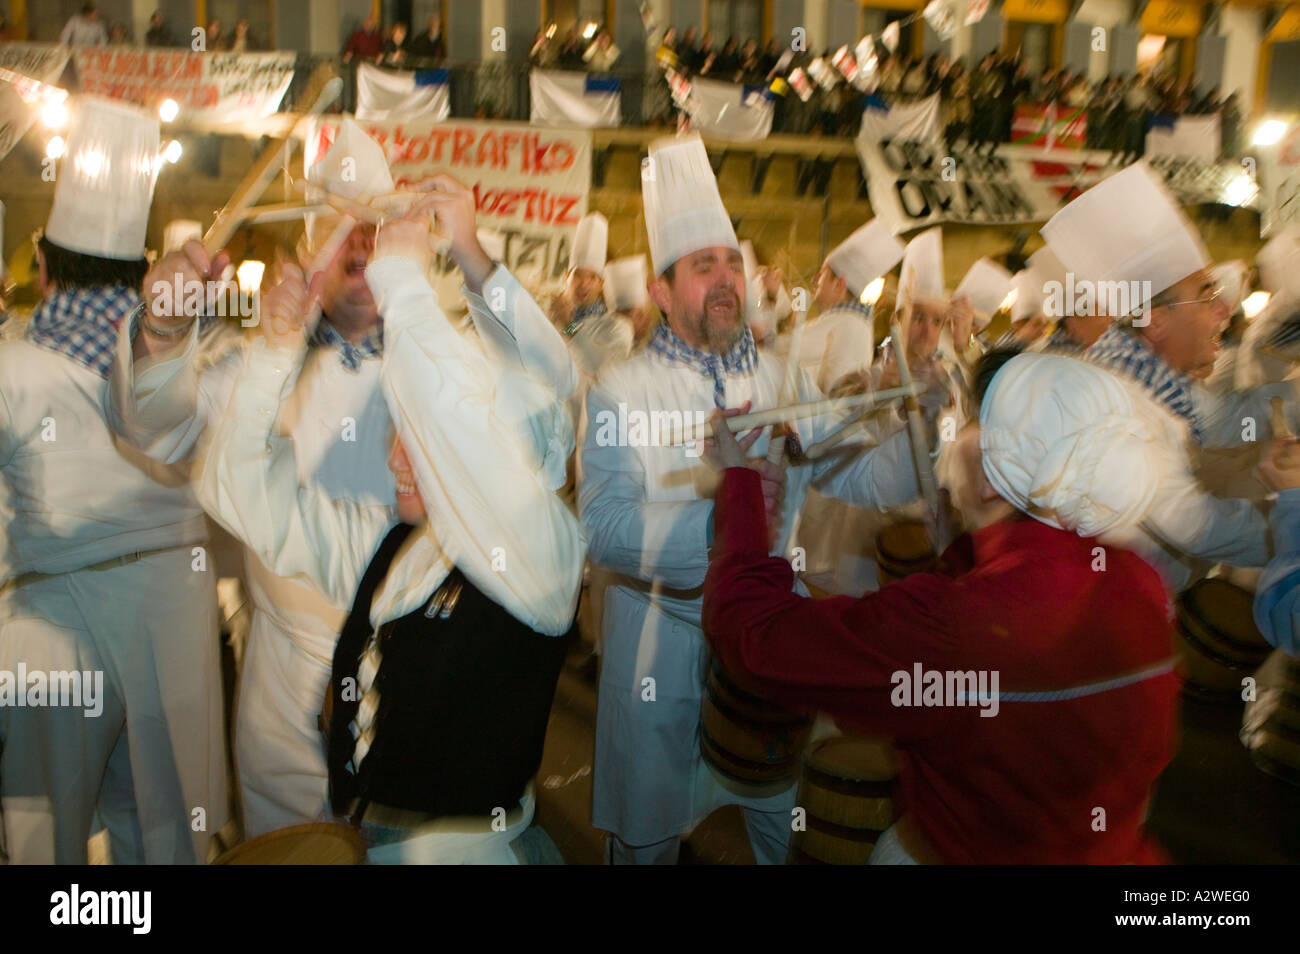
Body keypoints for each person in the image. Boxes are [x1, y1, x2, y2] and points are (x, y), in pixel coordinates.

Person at [111, 120, 576, 838]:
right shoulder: (254, 359)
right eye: (342, 228)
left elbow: (552, 394)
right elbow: (157, 430)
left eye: (376, 224)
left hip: (435, 668)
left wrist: (467, 254)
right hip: (285, 676)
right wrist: (166, 331)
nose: (361, 241)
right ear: (307, 251)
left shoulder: (450, 362)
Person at [580, 134, 921, 865]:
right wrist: (727, 510)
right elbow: (603, 528)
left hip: (765, 656)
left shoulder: (781, 376)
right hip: (657, 659)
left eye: (732, 260)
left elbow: (861, 480)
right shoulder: (620, 389)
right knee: (646, 847)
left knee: (775, 842)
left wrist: (919, 429)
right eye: (703, 266)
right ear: (663, 293)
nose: (726, 276)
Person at [701, 351, 1180, 863]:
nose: (958, 436)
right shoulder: (1139, 580)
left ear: (994, 478)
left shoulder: (951, 625)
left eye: (972, 422)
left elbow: (754, 632)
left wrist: (738, 482)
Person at [1, 96, 226, 864]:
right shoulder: (183, 360)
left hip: (47, 627)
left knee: (46, 843)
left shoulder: (11, 363)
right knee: (167, 840)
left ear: (42, 268)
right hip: (175, 614)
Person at [1042, 161, 1274, 589]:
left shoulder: (1155, 384)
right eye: (1207, 296)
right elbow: (1200, 527)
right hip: (1105, 632)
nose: (1225, 310)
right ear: (1156, 321)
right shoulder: (1119, 410)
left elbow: (1231, 417)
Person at [795, 220, 904, 394]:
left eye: (822, 273)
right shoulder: (847, 322)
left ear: (839, 284)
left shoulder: (849, 325)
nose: (816, 279)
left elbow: (784, 349)